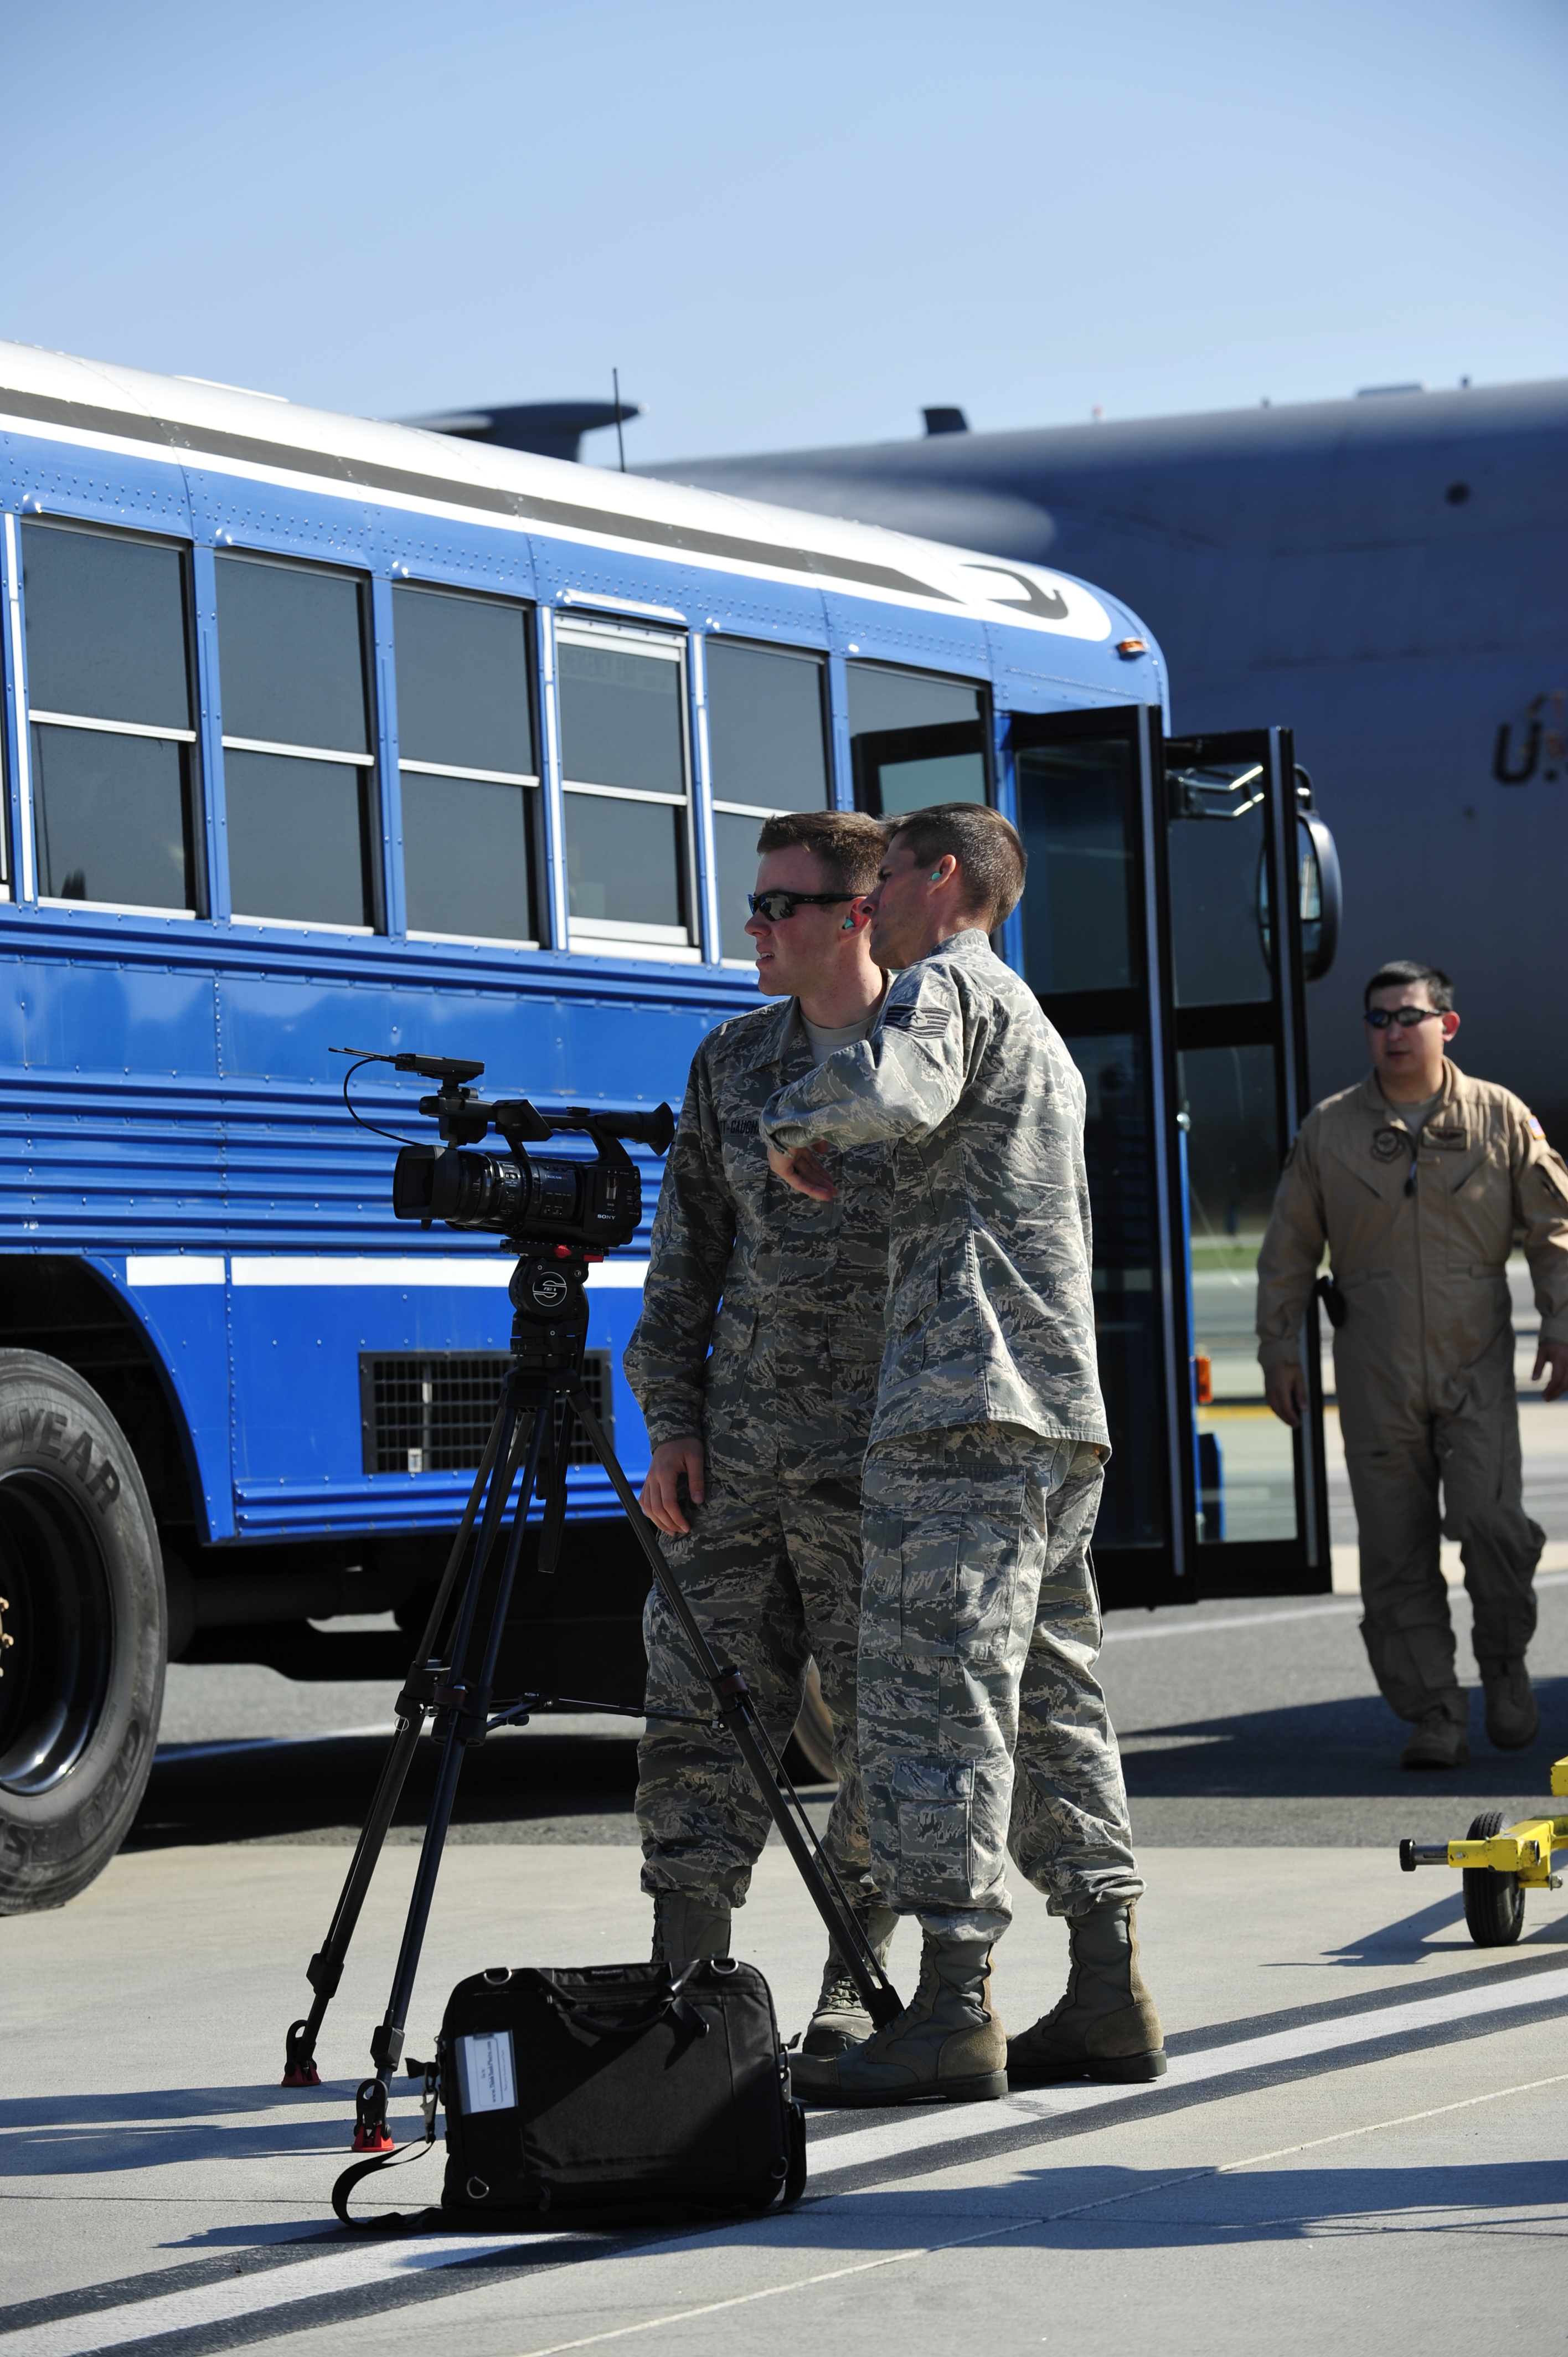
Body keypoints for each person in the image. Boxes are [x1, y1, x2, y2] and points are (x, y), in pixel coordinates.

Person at [761, 803, 1162, 2108]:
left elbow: (890, 1084)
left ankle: (953, 2003)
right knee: (1053, 1698)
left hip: (961, 1403)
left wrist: (790, 1124)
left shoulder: (946, 987)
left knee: (939, 1701)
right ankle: (1108, 1984)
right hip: (1055, 1412)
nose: (864, 910)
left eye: (881, 884)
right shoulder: (1040, 1027)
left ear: (946, 877)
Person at [625, 806, 899, 2055]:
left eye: (781, 904)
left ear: (857, 912)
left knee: (888, 1718)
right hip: (734, 1462)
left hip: (885, 1461)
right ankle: (689, 1979)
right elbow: (683, 1261)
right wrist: (673, 1419)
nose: (755, 926)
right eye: (756, 901)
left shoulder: (931, 1052)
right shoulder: (732, 1062)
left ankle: (859, 1973)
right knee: (695, 1708)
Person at [1257, 960, 1568, 1769]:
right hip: (1374, 1370)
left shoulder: (1500, 1118)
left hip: (1475, 1366)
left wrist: (1563, 1328)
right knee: (1395, 1554)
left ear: (1446, 1025)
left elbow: (1554, 1233)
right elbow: (1288, 1250)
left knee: (1493, 1525)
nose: (1392, 1032)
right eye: (1378, 1019)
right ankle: (1435, 1711)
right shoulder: (1329, 1130)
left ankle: (1503, 1666)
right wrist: (1279, 1349)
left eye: (1408, 1016)